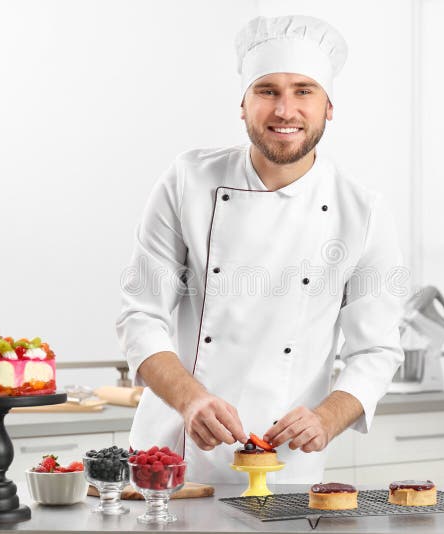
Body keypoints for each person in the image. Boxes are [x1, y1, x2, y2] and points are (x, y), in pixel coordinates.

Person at [117, 14, 405, 484]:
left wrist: (327, 419)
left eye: (304, 91)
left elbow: (376, 350)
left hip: (285, 464)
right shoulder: (188, 181)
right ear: (243, 104)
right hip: (172, 455)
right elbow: (140, 316)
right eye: (267, 90)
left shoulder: (362, 212)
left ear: (329, 106)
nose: (285, 110)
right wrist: (190, 400)